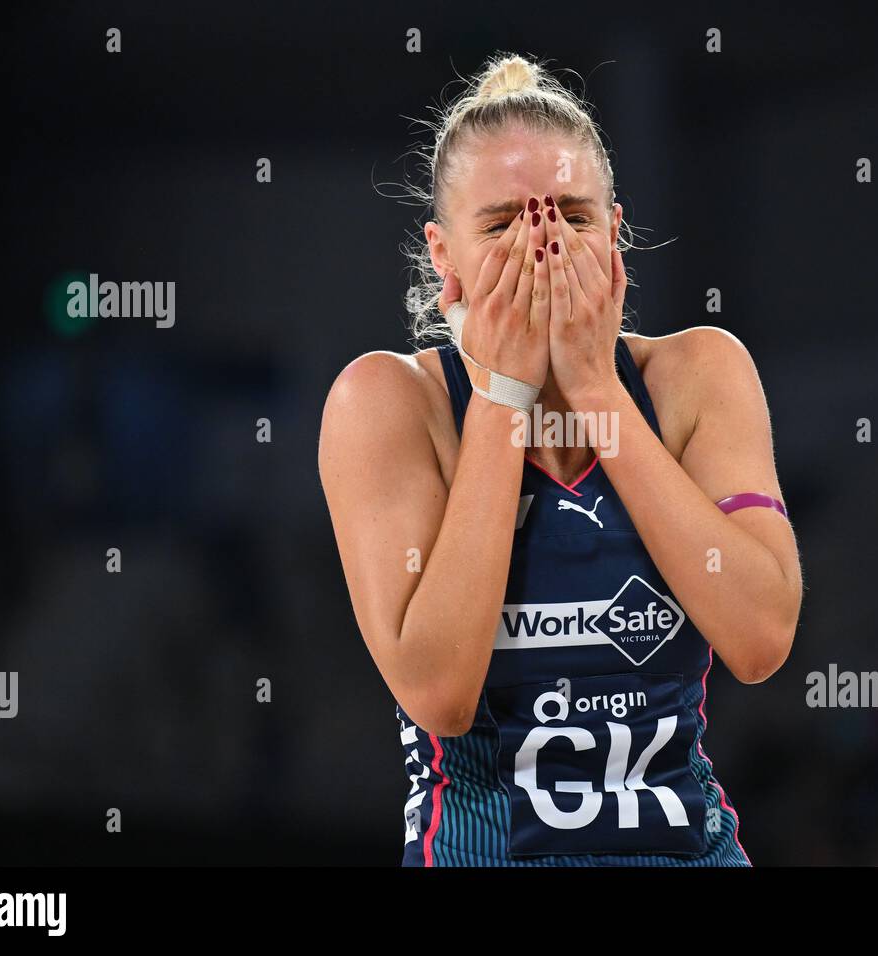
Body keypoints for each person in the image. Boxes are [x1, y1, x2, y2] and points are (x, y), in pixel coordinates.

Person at [319, 53, 802, 865]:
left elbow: (760, 638)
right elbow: (438, 692)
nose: (541, 251)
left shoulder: (696, 375)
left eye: (572, 218)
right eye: (504, 224)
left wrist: (595, 389)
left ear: (615, 234)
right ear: (444, 257)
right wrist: (504, 398)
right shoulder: (388, 403)